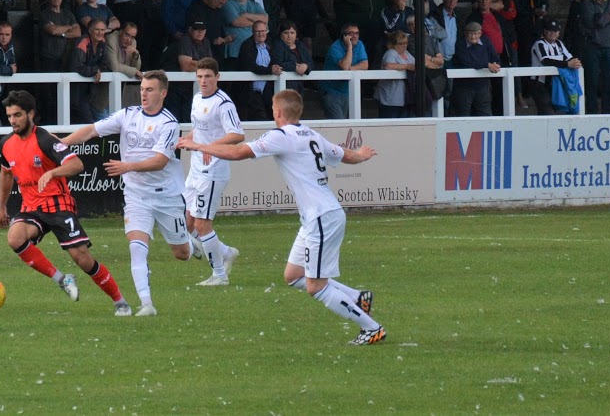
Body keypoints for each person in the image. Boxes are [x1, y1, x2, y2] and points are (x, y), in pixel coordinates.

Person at [177, 89, 386, 345]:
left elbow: (240, 151)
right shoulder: (311, 134)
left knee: (315, 287)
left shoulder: (282, 136)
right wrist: (361, 156)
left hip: (322, 217)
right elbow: (344, 154)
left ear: (277, 112)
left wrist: (198, 145)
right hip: (317, 216)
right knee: (293, 275)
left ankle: (372, 328)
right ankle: (358, 297)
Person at [60, 70, 192, 316]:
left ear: (163, 93)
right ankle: (147, 303)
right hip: (136, 196)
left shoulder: (169, 123)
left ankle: (188, 240)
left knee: (182, 254)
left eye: (150, 90)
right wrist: (62, 143)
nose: (143, 93)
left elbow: (160, 161)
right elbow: (91, 130)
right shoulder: (128, 115)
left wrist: (126, 166)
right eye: (142, 89)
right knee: (136, 246)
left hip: (166, 195)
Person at [0, 89, 130, 313]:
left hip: (58, 205)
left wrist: (53, 173)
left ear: (30, 114)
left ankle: (120, 302)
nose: (12, 121)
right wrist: (1, 207)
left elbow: (76, 164)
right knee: (15, 238)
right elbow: (6, 174)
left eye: (17, 115)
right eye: (9, 116)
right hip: (31, 207)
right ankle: (62, 279)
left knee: (82, 258)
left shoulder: (45, 139)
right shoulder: (6, 144)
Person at [184, 59, 245, 284]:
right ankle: (226, 252)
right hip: (195, 167)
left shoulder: (223, 103)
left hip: (213, 170)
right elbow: (199, 129)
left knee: (201, 224)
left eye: (208, 76)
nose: (203, 81)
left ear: (217, 77)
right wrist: (185, 139)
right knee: (186, 222)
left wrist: (212, 147)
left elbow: (237, 134)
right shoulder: (197, 98)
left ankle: (219, 275)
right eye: (200, 76)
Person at [576, 0, 610, 114]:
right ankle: (592, 111)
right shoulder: (586, 3)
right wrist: (609, 17)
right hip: (592, 47)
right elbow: (590, 21)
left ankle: (608, 111)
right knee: (591, 80)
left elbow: (600, 20)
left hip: (608, 46)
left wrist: (602, 18)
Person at [451, 22, 500, 117]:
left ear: (480, 34)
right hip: (464, 87)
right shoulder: (460, 43)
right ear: (465, 33)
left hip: (483, 85)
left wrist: (495, 65)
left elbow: (495, 58)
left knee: (485, 115)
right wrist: (487, 65)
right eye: (470, 33)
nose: (473, 36)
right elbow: (466, 62)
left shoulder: (486, 41)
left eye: (476, 33)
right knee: (463, 115)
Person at [322, 24, 368, 119]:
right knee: (338, 123)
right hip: (331, 91)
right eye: (351, 33)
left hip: (348, 91)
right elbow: (345, 66)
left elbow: (365, 65)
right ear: (344, 36)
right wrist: (349, 47)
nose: (355, 36)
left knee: (347, 124)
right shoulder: (335, 47)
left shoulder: (360, 44)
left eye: (357, 33)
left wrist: (351, 69)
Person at [378, 30, 415, 119]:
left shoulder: (407, 53)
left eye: (406, 43)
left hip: (405, 98)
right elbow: (388, 66)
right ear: (393, 44)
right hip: (390, 97)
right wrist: (407, 66)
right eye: (401, 43)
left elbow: (415, 64)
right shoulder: (391, 52)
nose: (404, 46)